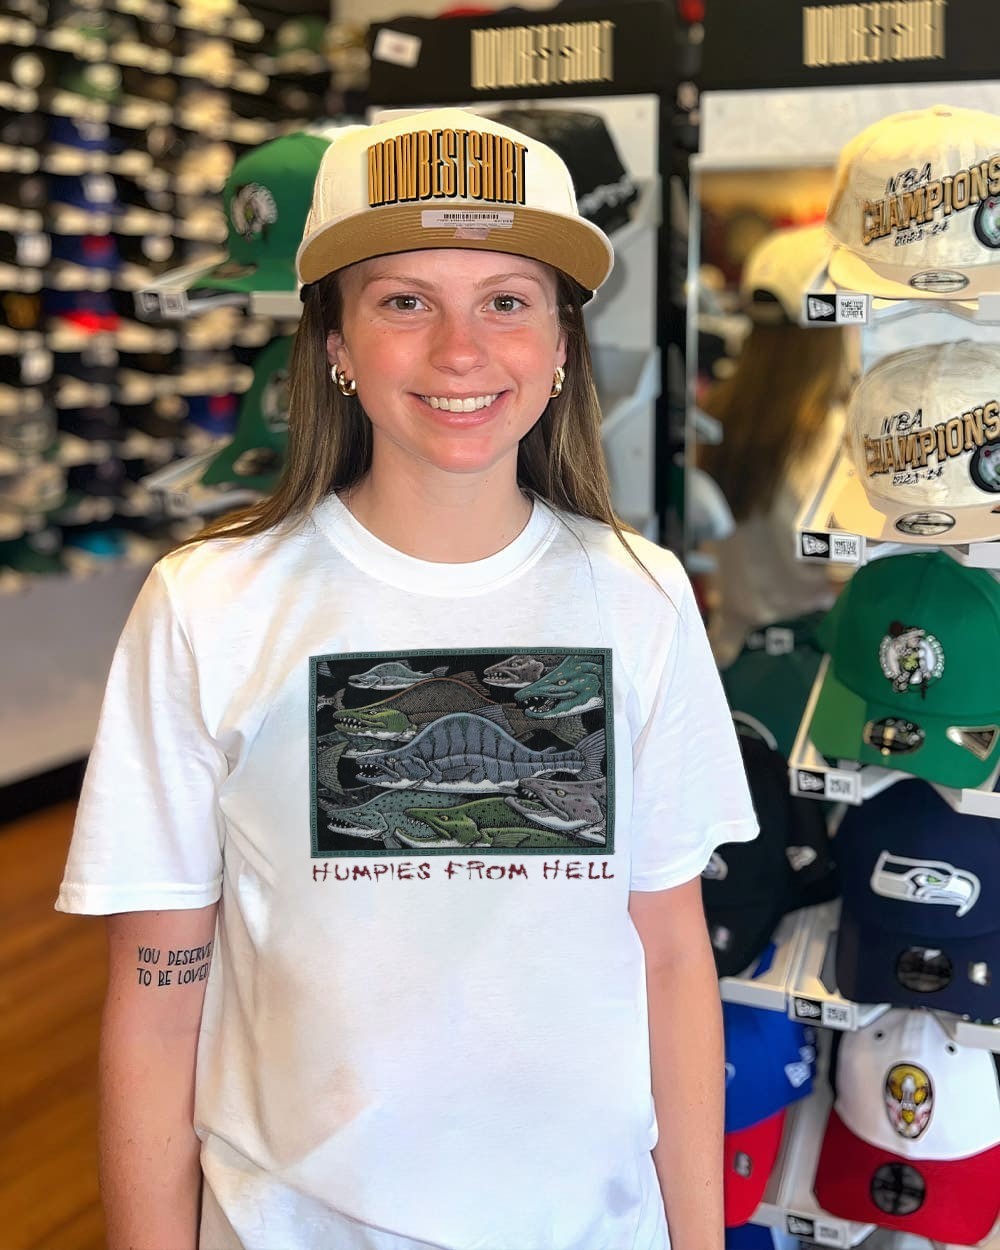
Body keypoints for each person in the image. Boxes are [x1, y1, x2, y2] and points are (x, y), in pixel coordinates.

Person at [56, 108, 757, 1250]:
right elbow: (155, 994)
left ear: (562, 345)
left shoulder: (642, 592)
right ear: (334, 341)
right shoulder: (207, 602)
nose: (461, 351)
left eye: (507, 300)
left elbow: (673, 959)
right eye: (404, 301)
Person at [699, 225, 857, 669]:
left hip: (727, 658)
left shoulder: (716, 417)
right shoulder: (831, 436)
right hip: (806, 666)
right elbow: (843, 574)